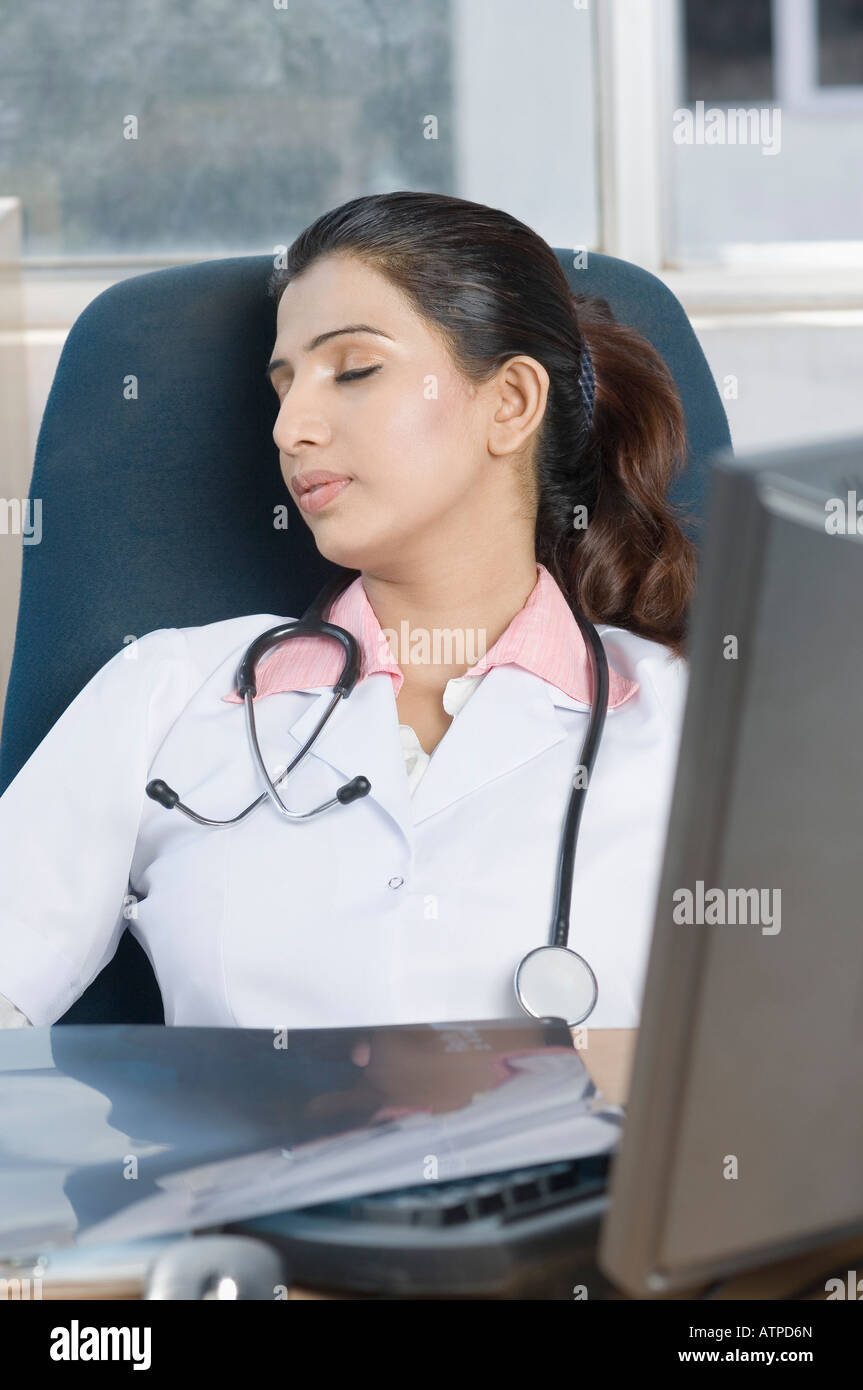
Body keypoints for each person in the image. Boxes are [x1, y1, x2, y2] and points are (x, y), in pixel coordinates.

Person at [0, 190, 695, 1033]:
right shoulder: (168, 691)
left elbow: (798, 1043)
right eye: (283, 387)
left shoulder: (695, 718)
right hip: (244, 1129)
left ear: (510, 402)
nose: (290, 428)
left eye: (354, 369)